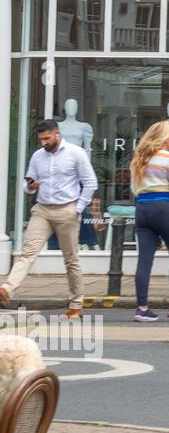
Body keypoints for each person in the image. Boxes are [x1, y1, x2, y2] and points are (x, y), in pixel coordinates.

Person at [0, 119, 98, 319]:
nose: (44, 142)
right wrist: (30, 187)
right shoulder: (37, 156)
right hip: (42, 210)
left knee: (71, 260)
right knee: (27, 253)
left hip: (67, 209)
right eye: (41, 139)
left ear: (57, 134)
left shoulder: (75, 153)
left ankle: (76, 304)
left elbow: (90, 182)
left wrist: (77, 209)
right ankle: (7, 289)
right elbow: (27, 184)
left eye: (47, 138)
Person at [129, 121, 169, 322]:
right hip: (163, 207)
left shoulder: (139, 158)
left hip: (142, 208)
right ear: (165, 138)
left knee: (144, 259)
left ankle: (142, 308)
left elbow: (134, 189)